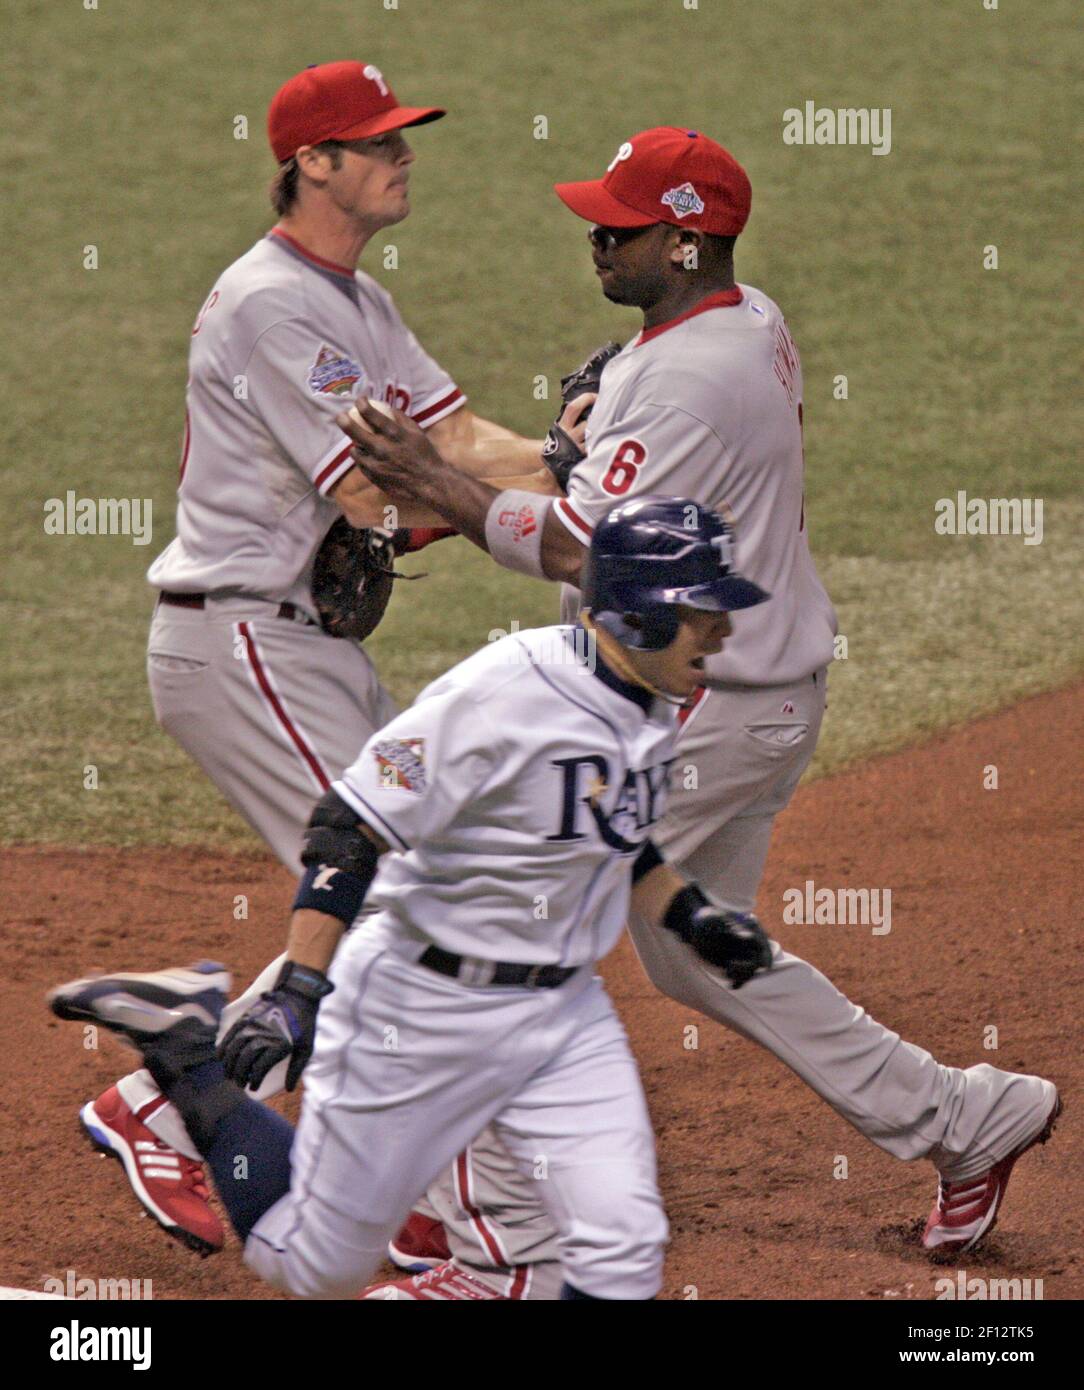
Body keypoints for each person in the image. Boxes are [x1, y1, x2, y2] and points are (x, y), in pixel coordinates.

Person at [335, 127, 1060, 1298]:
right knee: (688, 950)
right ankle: (962, 1115)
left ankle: (487, 1244)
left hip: (702, 711)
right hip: (751, 695)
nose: (594, 238)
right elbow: (623, 480)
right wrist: (574, 443)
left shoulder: (687, 372)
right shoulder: (738, 318)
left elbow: (588, 553)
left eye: (618, 227)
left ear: (686, 239)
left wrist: (441, 491)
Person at [81, 59, 567, 1257]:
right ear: (313, 163)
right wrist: (525, 506)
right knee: (409, 895)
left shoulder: (353, 299)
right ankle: (445, 1215)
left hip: (297, 643)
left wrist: (573, 461)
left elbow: (453, 437)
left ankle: (166, 1093)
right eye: (380, 141)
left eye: (405, 137)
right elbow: (374, 495)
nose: (406, 155)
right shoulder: (269, 303)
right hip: (243, 639)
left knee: (399, 884)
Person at [51, 500, 775, 1301]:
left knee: (624, 1252)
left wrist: (691, 917)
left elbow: (614, 833)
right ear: (638, 618)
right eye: (703, 615)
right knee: (313, 1267)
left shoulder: (648, 698)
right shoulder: (505, 692)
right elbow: (349, 824)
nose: (722, 633)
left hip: (566, 1015)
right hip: (422, 1003)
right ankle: (192, 1063)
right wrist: (297, 987)